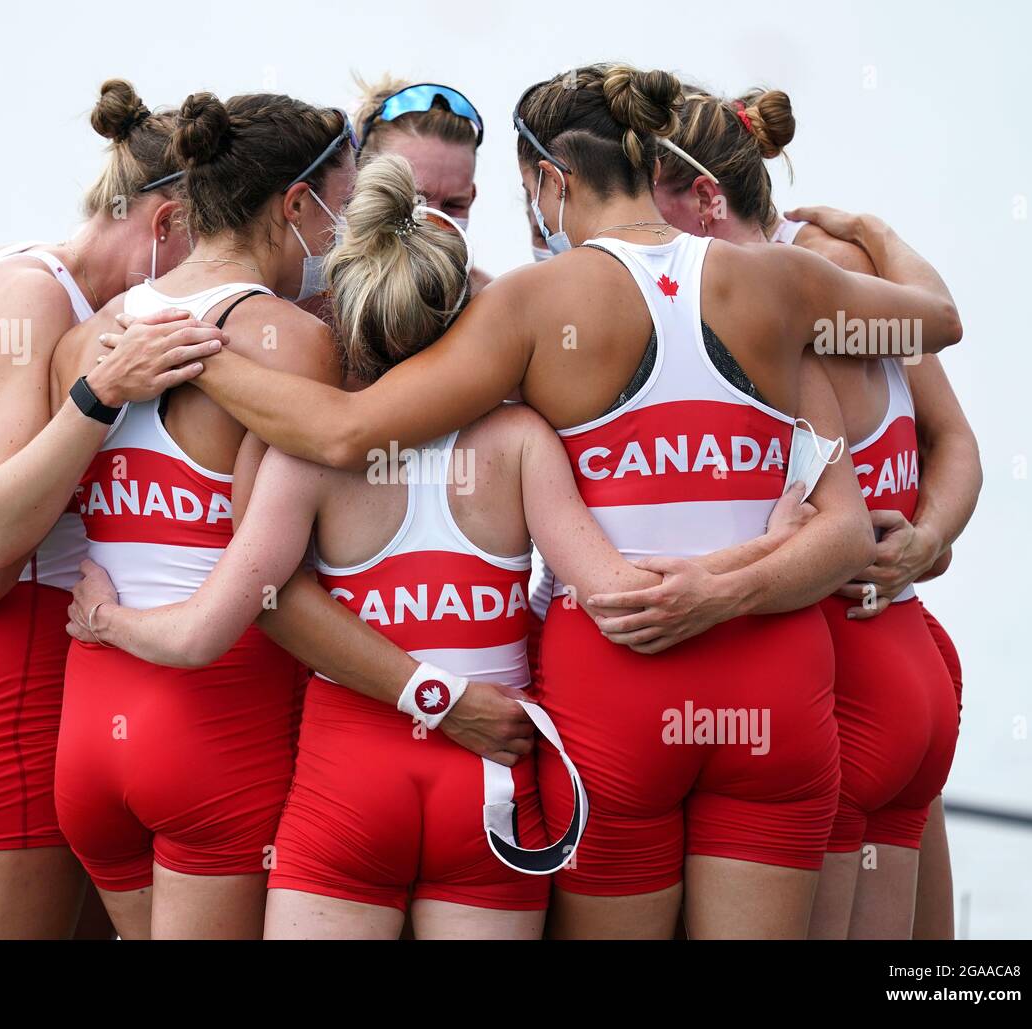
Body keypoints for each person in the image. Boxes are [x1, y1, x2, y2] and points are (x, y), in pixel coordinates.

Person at [111, 62, 963, 938]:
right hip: (775, 680)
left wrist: (194, 345)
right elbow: (935, 322)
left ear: (552, 182)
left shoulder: (527, 303)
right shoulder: (784, 281)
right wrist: (872, 230)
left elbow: (343, 435)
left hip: (617, 687)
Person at [0, 79, 207, 939]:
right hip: (4, 688)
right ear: (164, 224)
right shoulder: (31, 296)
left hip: (3, 678)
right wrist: (100, 393)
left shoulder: (67, 295)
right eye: (202, 244)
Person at [651, 84, 980, 939]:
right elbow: (953, 441)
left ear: (703, 199)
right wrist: (930, 538)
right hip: (911, 663)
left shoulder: (769, 302)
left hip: (838, 678)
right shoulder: (847, 267)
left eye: (650, 217)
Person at [352, 76, 493, 291]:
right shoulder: (309, 308)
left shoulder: (491, 305)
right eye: (415, 201)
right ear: (359, 188)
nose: (434, 223)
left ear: (471, 197)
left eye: (453, 206)